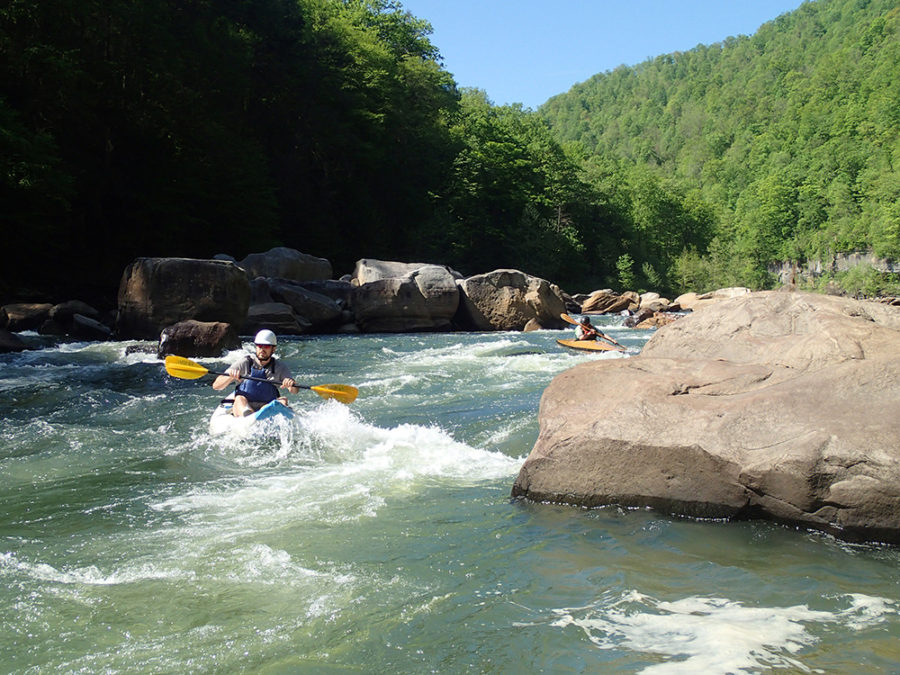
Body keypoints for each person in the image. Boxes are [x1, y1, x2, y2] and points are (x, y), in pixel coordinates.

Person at [212, 329, 300, 417]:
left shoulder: (280, 367)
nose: (262, 349)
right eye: (259, 346)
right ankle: (248, 415)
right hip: (245, 406)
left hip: (267, 406)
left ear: (273, 349)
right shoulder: (245, 362)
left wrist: (291, 384)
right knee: (239, 398)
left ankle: (264, 414)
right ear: (256, 347)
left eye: (266, 346)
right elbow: (216, 386)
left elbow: (294, 391)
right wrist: (230, 377)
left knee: (283, 400)